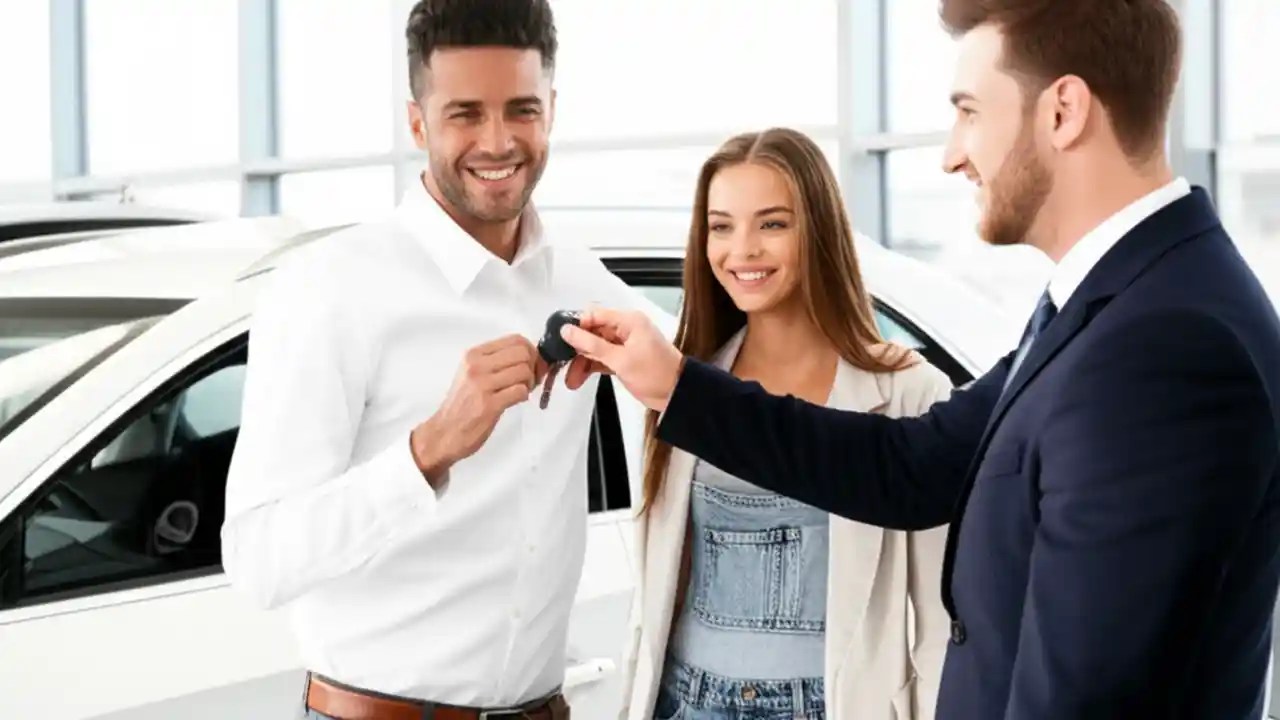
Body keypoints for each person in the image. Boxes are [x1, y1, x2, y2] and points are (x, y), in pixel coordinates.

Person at [559, 1, 1280, 718]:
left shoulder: (1164, 346)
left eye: (969, 111)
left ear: (1063, 111)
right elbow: (907, 467)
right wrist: (680, 386)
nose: (951, 153)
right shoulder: (1111, 304)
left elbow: (1083, 695)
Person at [220, 1, 663, 718]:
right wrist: (427, 451)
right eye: (465, 114)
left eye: (521, 109)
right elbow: (259, 560)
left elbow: (716, 378)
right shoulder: (330, 289)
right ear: (418, 122)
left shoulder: (582, 281)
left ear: (552, 110)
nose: (497, 141)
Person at [616, 128, 953, 720]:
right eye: (721, 226)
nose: (741, 250)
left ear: (817, 230)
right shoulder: (680, 385)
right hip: (685, 703)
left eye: (772, 224)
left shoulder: (908, 390)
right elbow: (652, 606)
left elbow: (941, 622)